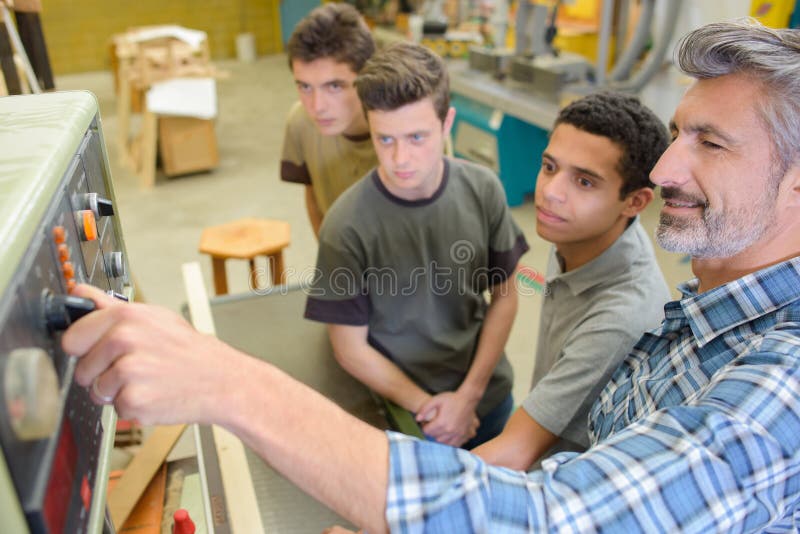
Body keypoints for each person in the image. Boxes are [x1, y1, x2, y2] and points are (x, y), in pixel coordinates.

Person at [64, 19, 800, 533]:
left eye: (711, 142)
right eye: (677, 136)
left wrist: (227, 382)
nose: (670, 168)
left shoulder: (775, 395)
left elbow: (552, 516)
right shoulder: (700, 307)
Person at [304, 42, 529, 448]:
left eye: (417, 137)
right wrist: (429, 408)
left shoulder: (484, 190)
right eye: (384, 140)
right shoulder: (346, 225)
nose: (400, 158)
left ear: (447, 124)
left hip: (487, 401)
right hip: (406, 420)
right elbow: (349, 348)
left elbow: (506, 297)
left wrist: (468, 398)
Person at [472, 92, 671, 469]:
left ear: (635, 202)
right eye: (549, 167)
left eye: (584, 182)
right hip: (542, 432)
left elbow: (515, 451)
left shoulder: (620, 317)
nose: (550, 193)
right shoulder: (582, 231)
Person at [280, 3, 378, 237]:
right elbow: (313, 193)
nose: (317, 107)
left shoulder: (412, 130)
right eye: (305, 86)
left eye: (334, 86)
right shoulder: (301, 123)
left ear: (368, 75)